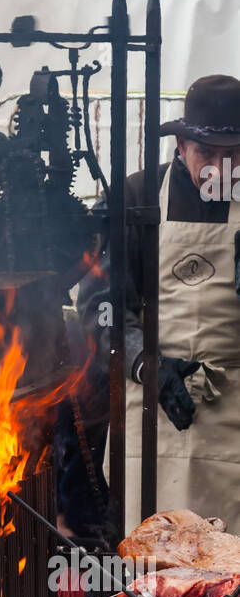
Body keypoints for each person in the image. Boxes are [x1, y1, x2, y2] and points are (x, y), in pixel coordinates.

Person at [78, 74, 240, 533]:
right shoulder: (137, 197)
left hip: (234, 409)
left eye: (233, 156)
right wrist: (151, 368)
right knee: (153, 562)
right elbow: (100, 307)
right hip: (150, 403)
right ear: (181, 147)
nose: (219, 169)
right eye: (207, 154)